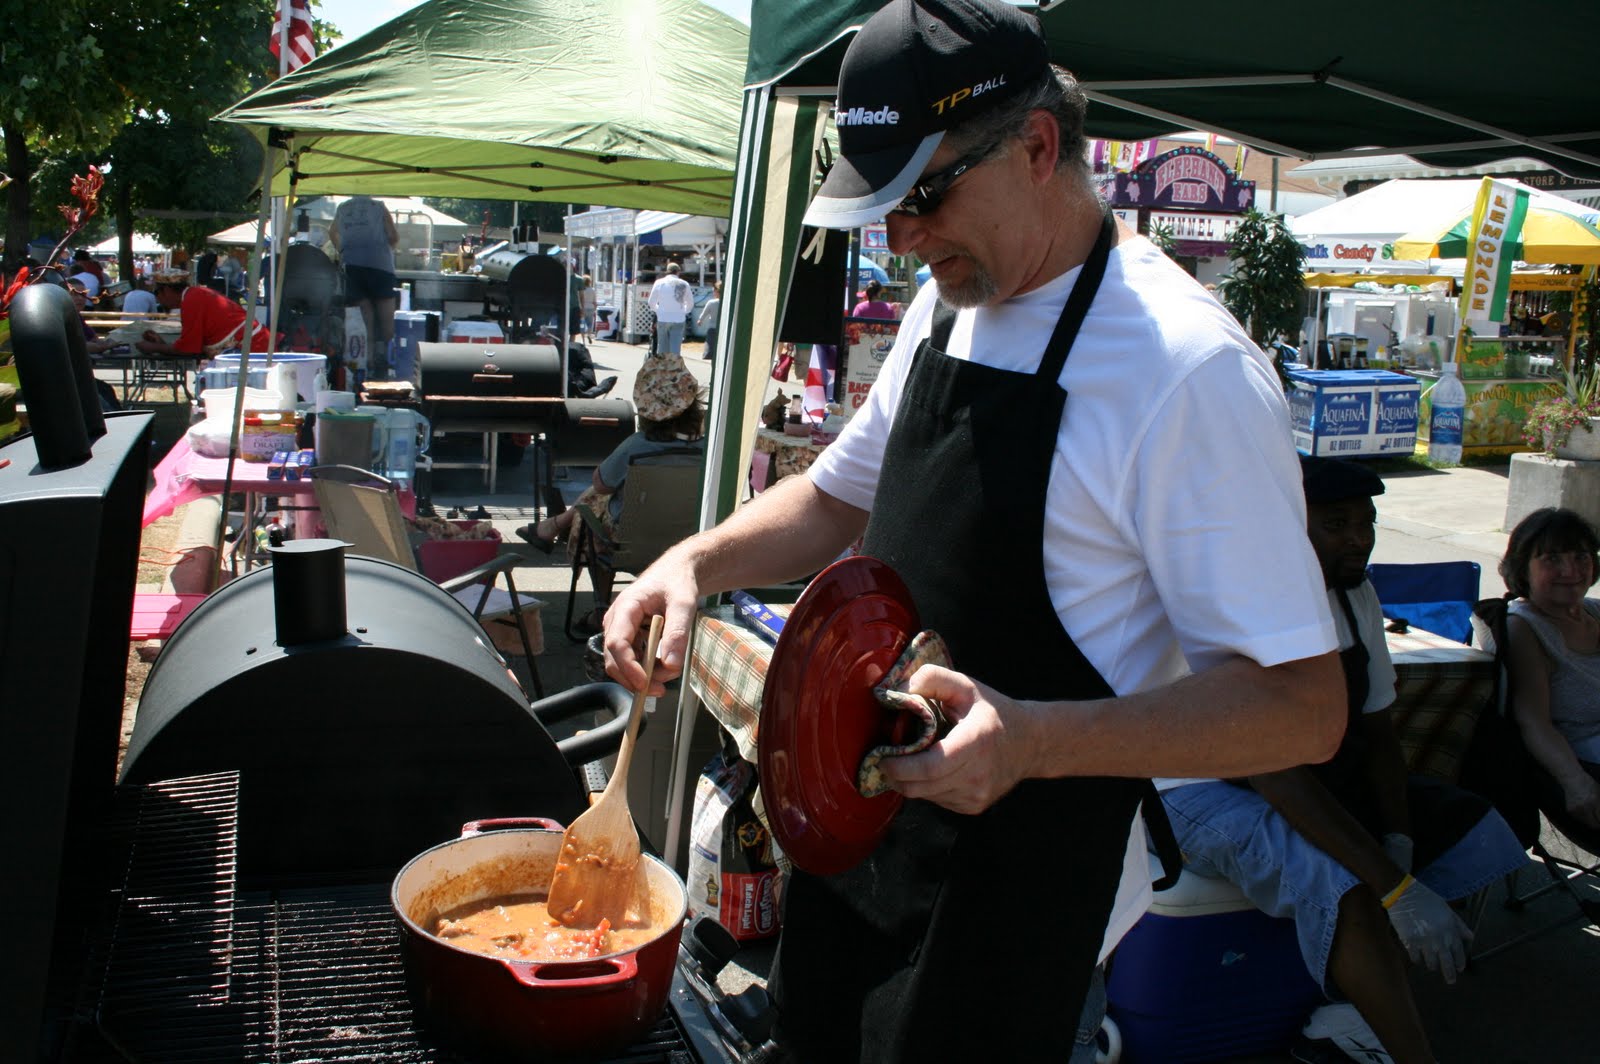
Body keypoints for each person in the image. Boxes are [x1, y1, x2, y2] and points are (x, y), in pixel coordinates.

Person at [600, 1, 1344, 1059]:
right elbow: (834, 497)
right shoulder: (945, 305)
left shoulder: (1188, 372)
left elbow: (1302, 708)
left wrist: (1034, 739)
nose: (901, 239)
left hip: (1018, 907)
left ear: (1037, 146)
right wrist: (692, 561)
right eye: (883, 205)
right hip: (861, 850)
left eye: (925, 195)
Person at [1161, 456, 1527, 1064]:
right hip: (1200, 787)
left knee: (1475, 826)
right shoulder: (1246, 603)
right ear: (1288, 527)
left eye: (1367, 522)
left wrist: (1400, 839)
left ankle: (1351, 1012)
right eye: (1336, 525)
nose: (1359, 539)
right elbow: (1271, 771)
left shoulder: (1358, 597)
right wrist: (1394, 885)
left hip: (1309, 771)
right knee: (1347, 884)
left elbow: (1379, 733)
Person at [516, 354, 704, 634]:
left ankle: (600, 610)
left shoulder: (636, 446)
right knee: (598, 500)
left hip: (629, 543)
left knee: (592, 513)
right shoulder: (708, 447)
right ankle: (551, 527)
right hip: (688, 541)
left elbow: (601, 484)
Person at [1502, 507, 1600, 848]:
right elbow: (1533, 721)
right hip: (1586, 761)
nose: (1570, 571)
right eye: (1552, 559)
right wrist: (1577, 783)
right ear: (1522, 568)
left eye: (1581, 557)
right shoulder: (1525, 627)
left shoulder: (1594, 612)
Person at [329, 195, 400, 369]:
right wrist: (385, 249)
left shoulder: (343, 208)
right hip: (380, 266)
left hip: (353, 265)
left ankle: (366, 361)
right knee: (387, 319)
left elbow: (332, 232)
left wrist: (342, 249)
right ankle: (392, 363)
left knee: (364, 317)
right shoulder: (379, 207)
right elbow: (393, 236)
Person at [134, 267, 270, 359]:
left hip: (250, 348)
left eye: (157, 293)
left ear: (167, 290)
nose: (157, 298)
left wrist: (155, 347)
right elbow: (191, 345)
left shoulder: (191, 300)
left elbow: (189, 349)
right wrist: (161, 345)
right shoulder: (194, 295)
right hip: (251, 345)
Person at [647, 261, 693, 355]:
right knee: (675, 347)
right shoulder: (684, 284)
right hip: (678, 319)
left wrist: (658, 310)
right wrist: (683, 311)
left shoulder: (659, 282)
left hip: (663, 318)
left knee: (662, 346)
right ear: (678, 272)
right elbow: (690, 303)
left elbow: (651, 302)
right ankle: (674, 363)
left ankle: (663, 363)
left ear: (667, 271)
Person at [696, 282, 722, 363]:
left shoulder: (712, 302)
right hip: (723, 329)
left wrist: (700, 320)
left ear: (716, 291)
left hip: (712, 328)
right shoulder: (727, 303)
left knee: (711, 350)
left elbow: (704, 314)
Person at [580, 273, 599, 343]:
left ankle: (583, 339)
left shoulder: (581, 290)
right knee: (590, 323)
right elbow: (594, 301)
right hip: (591, 307)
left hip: (583, 307)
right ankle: (589, 334)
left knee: (582, 323)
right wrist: (595, 307)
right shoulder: (592, 290)